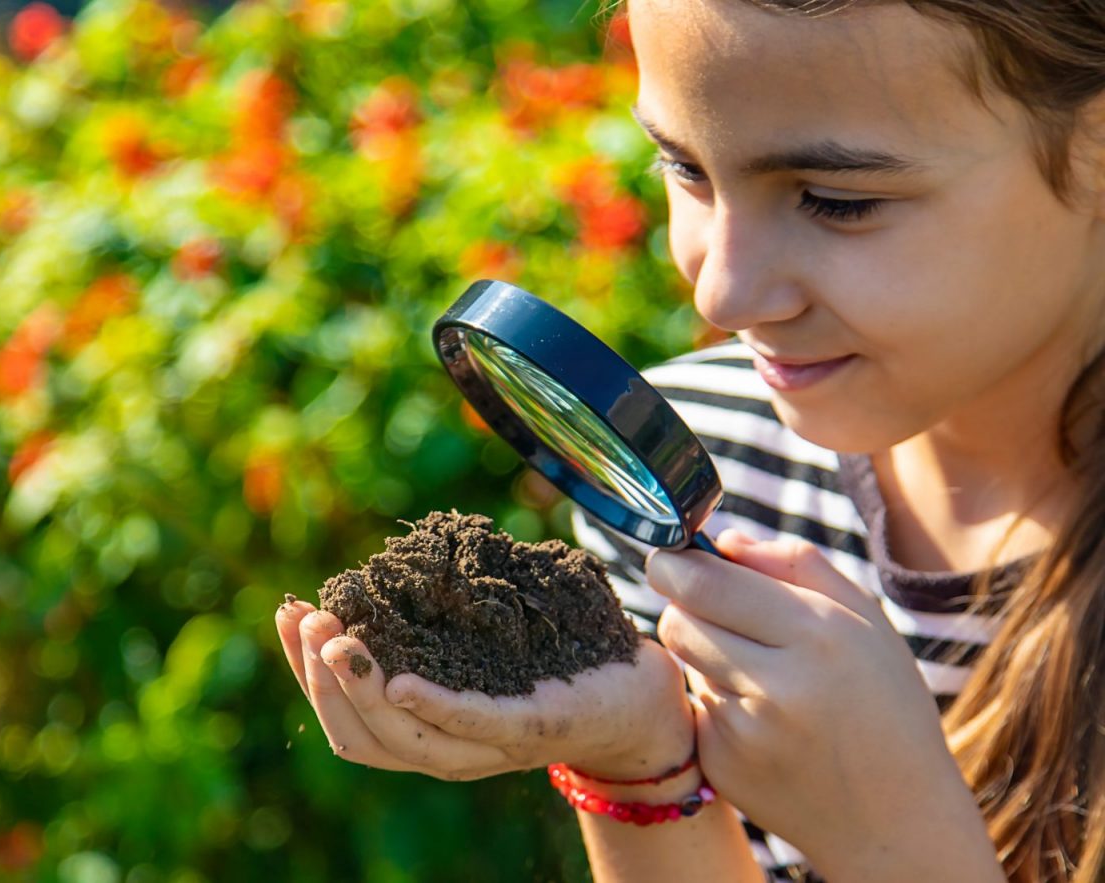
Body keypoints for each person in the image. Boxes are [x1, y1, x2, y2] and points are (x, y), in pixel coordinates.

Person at [275, 0, 1105, 880]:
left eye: (837, 201)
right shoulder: (698, 460)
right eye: (685, 166)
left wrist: (895, 847)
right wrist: (640, 757)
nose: (722, 295)